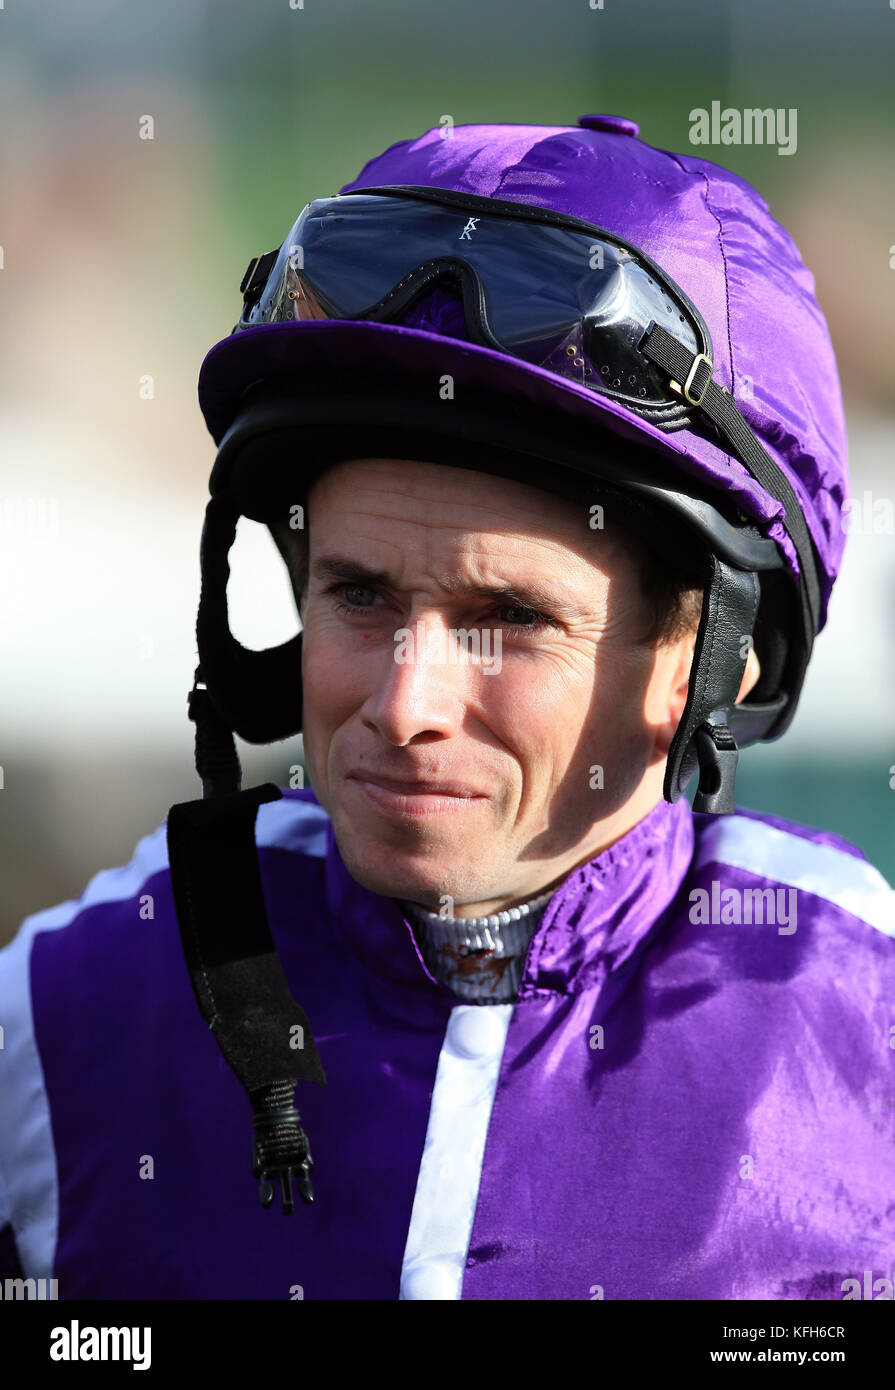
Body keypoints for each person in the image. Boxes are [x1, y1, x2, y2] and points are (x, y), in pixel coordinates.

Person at [1, 115, 893, 1302]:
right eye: (358, 594)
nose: (404, 702)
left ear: (710, 656)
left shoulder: (865, 1032)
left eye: (510, 618)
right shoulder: (61, 1015)